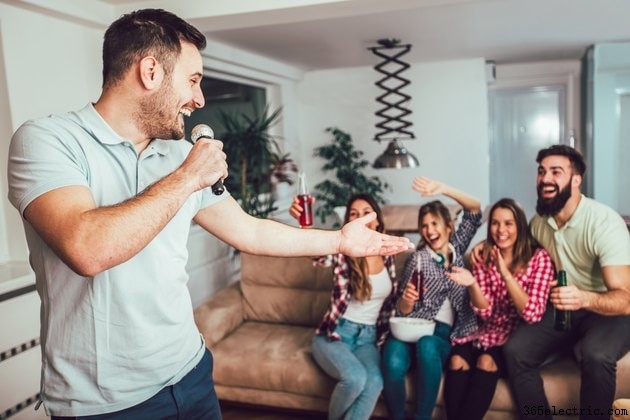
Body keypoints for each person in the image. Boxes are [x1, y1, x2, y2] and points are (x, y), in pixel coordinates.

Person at [6, 9, 412, 419]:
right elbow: (87, 249)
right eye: (194, 80)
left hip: (191, 372)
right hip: (106, 404)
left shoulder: (178, 154)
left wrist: (339, 240)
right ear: (150, 71)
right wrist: (187, 178)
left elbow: (250, 232)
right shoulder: (49, 141)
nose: (199, 100)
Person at [470, 144, 630, 420]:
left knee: (595, 356)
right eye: (541, 171)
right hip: (562, 310)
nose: (545, 178)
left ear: (576, 179)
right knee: (516, 351)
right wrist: (486, 244)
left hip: (608, 311)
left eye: (556, 172)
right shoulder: (539, 223)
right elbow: (514, 242)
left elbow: (625, 298)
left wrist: (584, 298)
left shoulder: (604, 223)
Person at [289, 193, 398, 420]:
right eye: (354, 214)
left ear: (377, 220)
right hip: (335, 334)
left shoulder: (388, 256)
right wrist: (304, 224)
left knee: (375, 382)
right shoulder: (342, 252)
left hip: (368, 339)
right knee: (355, 378)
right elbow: (316, 253)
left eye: (366, 212)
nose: (361, 218)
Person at [444, 198, 555, 420]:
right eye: (495, 223)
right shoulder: (483, 257)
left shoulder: (538, 259)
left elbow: (532, 314)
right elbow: (484, 312)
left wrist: (505, 273)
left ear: (519, 227)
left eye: (508, 223)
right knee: (457, 362)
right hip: (482, 333)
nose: (501, 230)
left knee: (485, 362)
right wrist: (473, 283)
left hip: (513, 339)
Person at [381, 177, 482, 420]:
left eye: (434, 223)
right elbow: (402, 309)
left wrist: (444, 189)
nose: (429, 231)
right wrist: (406, 301)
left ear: (448, 226)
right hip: (410, 327)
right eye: (424, 226)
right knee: (392, 361)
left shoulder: (458, 246)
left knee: (427, 344)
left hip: (440, 334)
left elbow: (475, 209)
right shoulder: (416, 259)